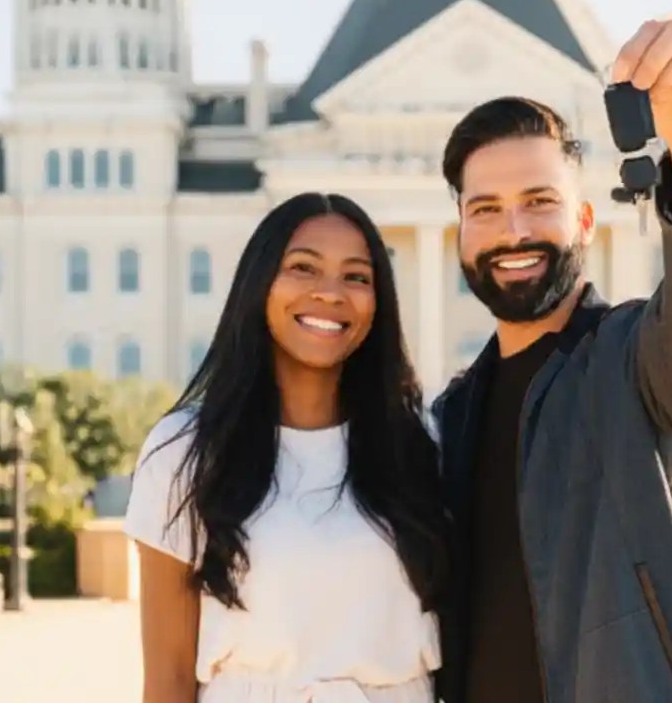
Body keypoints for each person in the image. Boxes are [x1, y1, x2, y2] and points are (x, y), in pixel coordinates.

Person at [432, 13, 672, 703]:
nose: (513, 230)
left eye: (539, 201)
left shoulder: (634, 368)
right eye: (485, 209)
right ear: (460, 233)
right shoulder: (448, 418)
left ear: (583, 222)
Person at [122, 192, 449, 702]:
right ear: (260, 284)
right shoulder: (185, 452)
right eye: (303, 268)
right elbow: (168, 678)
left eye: (357, 277)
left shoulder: (422, 443)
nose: (330, 293)